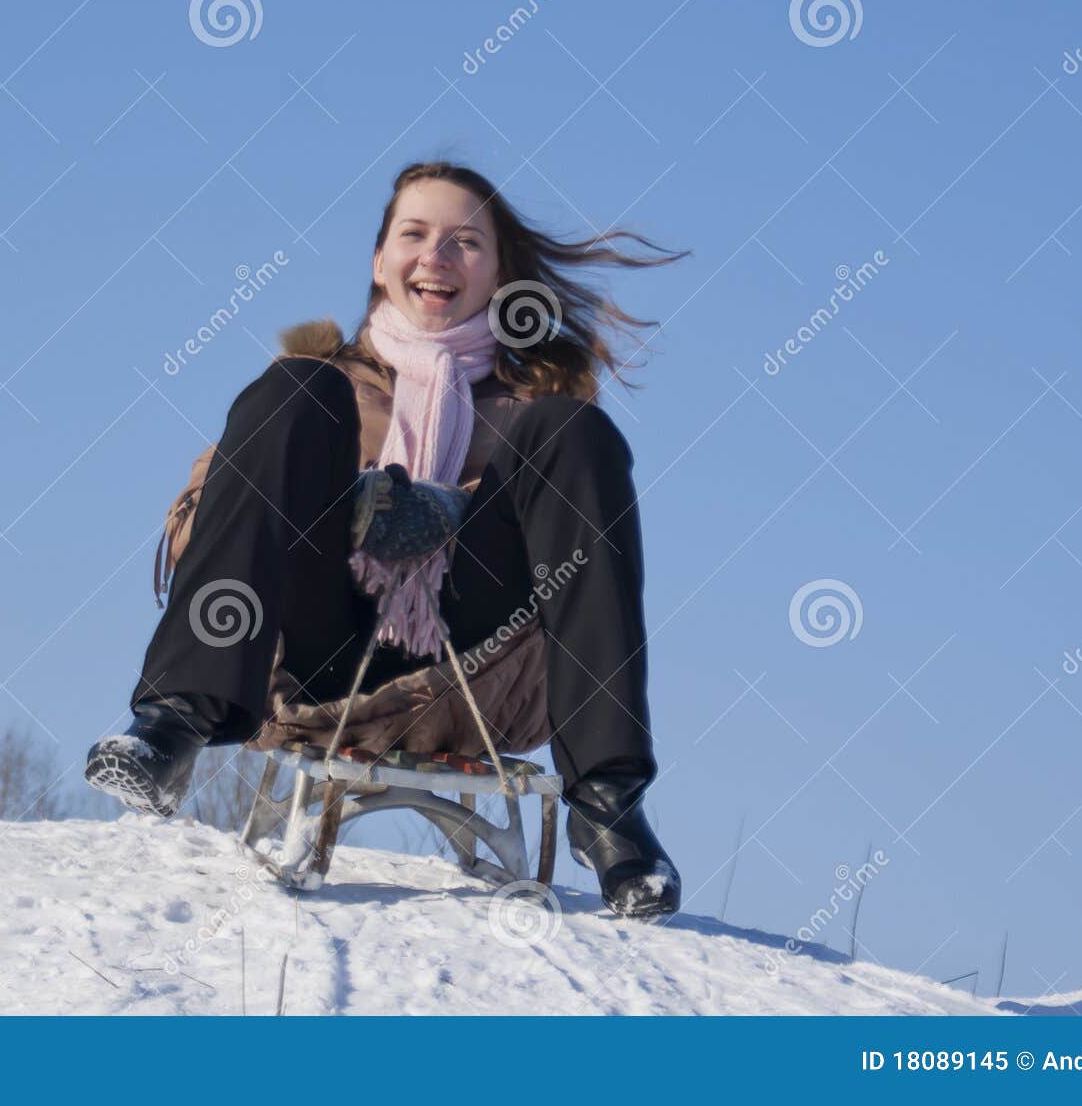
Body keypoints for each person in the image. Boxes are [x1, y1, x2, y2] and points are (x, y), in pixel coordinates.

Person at [87, 160, 689, 919]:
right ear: (380, 261)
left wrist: (452, 511)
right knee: (297, 392)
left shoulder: (531, 406)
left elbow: (572, 547)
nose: (436, 257)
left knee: (573, 432)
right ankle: (173, 720)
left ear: (500, 273)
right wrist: (351, 506)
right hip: (318, 648)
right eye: (416, 234)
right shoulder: (323, 386)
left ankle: (609, 803)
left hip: (475, 656)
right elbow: (204, 513)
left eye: (466, 242)